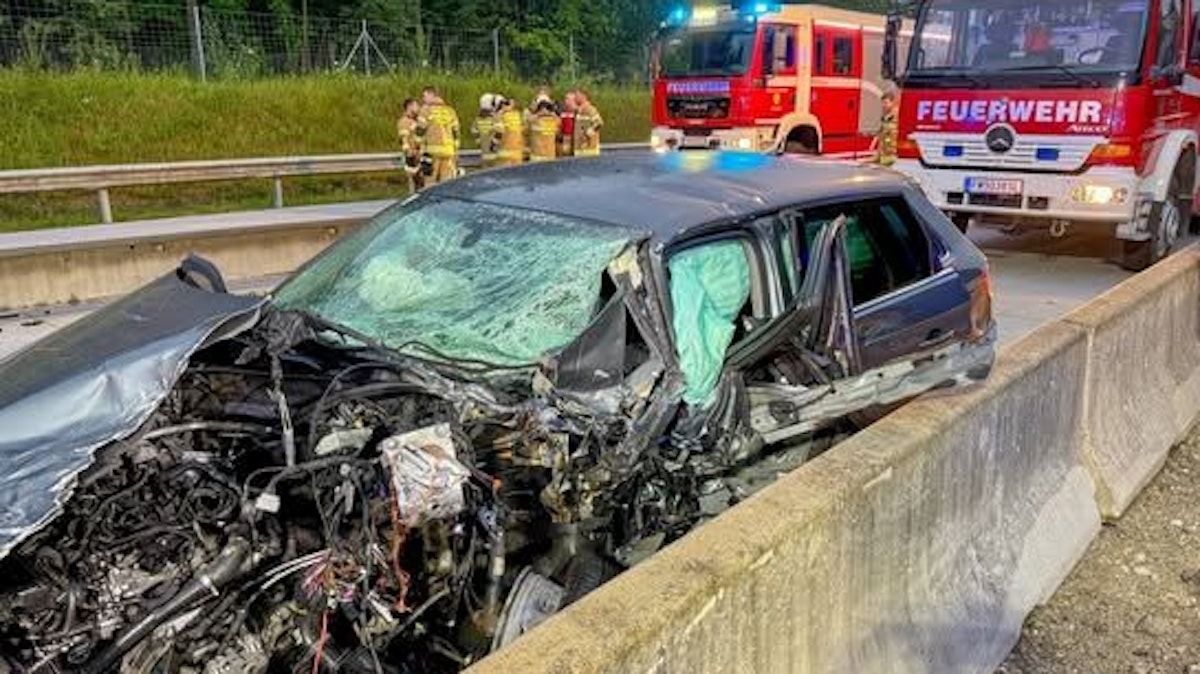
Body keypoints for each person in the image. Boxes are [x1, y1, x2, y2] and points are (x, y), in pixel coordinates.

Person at [416, 86, 460, 185]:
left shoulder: (426, 110)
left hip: (432, 152)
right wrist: (455, 152)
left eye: (424, 96)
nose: (423, 99)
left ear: (431, 95)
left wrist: (417, 146)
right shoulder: (450, 111)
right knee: (446, 183)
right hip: (448, 152)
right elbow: (456, 133)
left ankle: (430, 201)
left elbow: (420, 130)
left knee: (430, 182)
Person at [396, 98, 424, 192]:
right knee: (414, 186)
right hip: (412, 157)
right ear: (409, 107)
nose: (418, 108)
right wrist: (410, 154)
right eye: (416, 106)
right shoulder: (404, 122)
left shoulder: (416, 121)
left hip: (420, 156)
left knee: (422, 185)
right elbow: (404, 140)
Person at [492, 96, 526, 166]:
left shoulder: (500, 116)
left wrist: (493, 144)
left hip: (505, 155)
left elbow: (498, 133)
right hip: (517, 155)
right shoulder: (517, 115)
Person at [527, 93, 561, 162]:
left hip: (550, 157)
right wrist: (539, 114)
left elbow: (559, 125)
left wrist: (551, 113)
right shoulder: (534, 119)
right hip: (536, 158)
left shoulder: (553, 119)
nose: (544, 108)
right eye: (542, 106)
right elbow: (528, 120)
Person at [471, 93, 499, 168]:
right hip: (491, 151)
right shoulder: (494, 119)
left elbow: (473, 130)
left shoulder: (478, 119)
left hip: (486, 150)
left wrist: (478, 139)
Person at [574, 90, 603, 157]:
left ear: (584, 96)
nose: (575, 97)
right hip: (580, 150)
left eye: (577, 95)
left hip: (589, 151)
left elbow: (599, 122)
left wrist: (589, 132)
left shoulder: (590, 109)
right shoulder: (579, 110)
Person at [876, 84, 898, 167]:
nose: (884, 105)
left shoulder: (896, 116)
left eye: (886, 103)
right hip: (884, 156)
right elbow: (882, 136)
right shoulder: (885, 116)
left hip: (893, 157)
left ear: (892, 102)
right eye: (883, 103)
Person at [558, 91, 578, 158]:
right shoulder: (561, 111)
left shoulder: (578, 112)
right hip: (564, 139)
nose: (566, 101)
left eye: (568, 99)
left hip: (574, 140)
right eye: (565, 99)